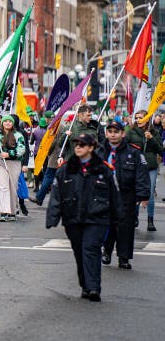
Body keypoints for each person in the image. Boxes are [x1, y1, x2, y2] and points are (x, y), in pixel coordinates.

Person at [46, 133, 122, 302]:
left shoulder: (104, 169)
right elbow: (56, 195)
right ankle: (85, 286)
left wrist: (118, 217)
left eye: (82, 144)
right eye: (76, 144)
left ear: (91, 147)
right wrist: (52, 217)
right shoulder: (66, 169)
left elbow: (114, 195)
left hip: (97, 217)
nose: (78, 147)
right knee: (79, 252)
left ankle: (94, 287)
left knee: (91, 249)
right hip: (73, 217)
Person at [101, 119, 150, 269]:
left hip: (126, 195)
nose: (113, 135)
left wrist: (143, 196)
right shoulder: (98, 151)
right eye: (110, 132)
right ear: (106, 133)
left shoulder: (134, 152)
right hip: (104, 194)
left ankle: (124, 258)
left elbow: (141, 174)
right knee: (107, 225)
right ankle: (107, 252)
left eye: (116, 132)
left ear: (123, 134)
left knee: (125, 227)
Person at [126, 110, 162, 232]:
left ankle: (150, 220)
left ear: (146, 119)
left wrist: (151, 138)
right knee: (136, 193)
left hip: (150, 166)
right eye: (136, 118)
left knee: (150, 193)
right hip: (136, 166)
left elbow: (160, 149)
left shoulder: (154, 132)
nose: (138, 120)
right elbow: (125, 146)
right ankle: (134, 217)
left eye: (140, 117)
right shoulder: (131, 132)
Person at [0, 115, 25, 222]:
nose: (7, 123)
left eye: (9, 121)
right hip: (1, 163)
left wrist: (9, 154)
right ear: (2, 123)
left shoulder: (18, 135)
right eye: (5, 121)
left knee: (13, 186)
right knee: (2, 187)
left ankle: (12, 211)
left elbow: (21, 149)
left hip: (14, 163)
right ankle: (3, 211)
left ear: (12, 123)